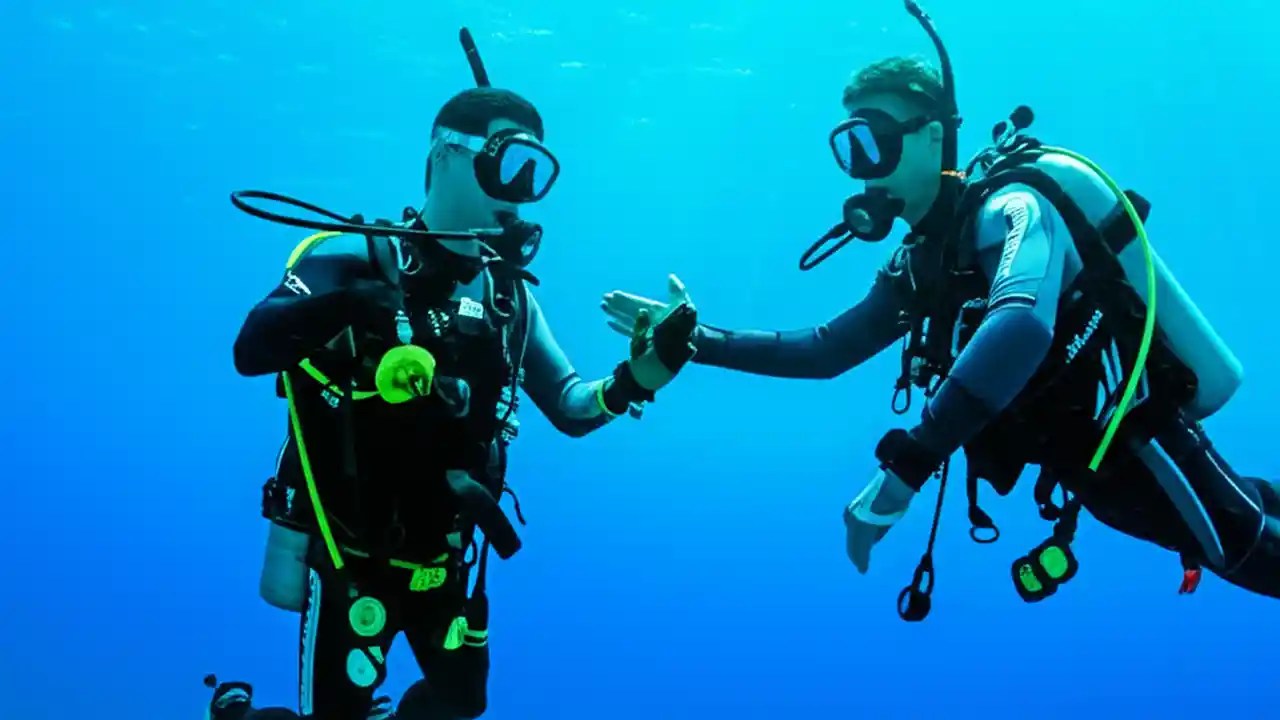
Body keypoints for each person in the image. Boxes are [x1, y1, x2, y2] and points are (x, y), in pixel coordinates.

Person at [601, 2, 1280, 618]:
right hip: (1094, 474)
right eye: (849, 147)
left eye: (875, 140)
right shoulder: (923, 264)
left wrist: (905, 468)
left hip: (1143, 440)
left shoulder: (1012, 208)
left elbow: (1021, 323)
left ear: (932, 136)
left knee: (1252, 552)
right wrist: (695, 339)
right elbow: (826, 349)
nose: (864, 168)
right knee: (1254, 523)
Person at [208, 36, 699, 720]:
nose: (520, 193)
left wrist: (639, 377)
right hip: (351, 561)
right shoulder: (357, 259)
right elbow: (252, 347)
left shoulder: (508, 298)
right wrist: (347, 305)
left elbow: (570, 404)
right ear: (443, 156)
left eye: (536, 173)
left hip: (447, 560)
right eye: (508, 163)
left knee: (460, 705)